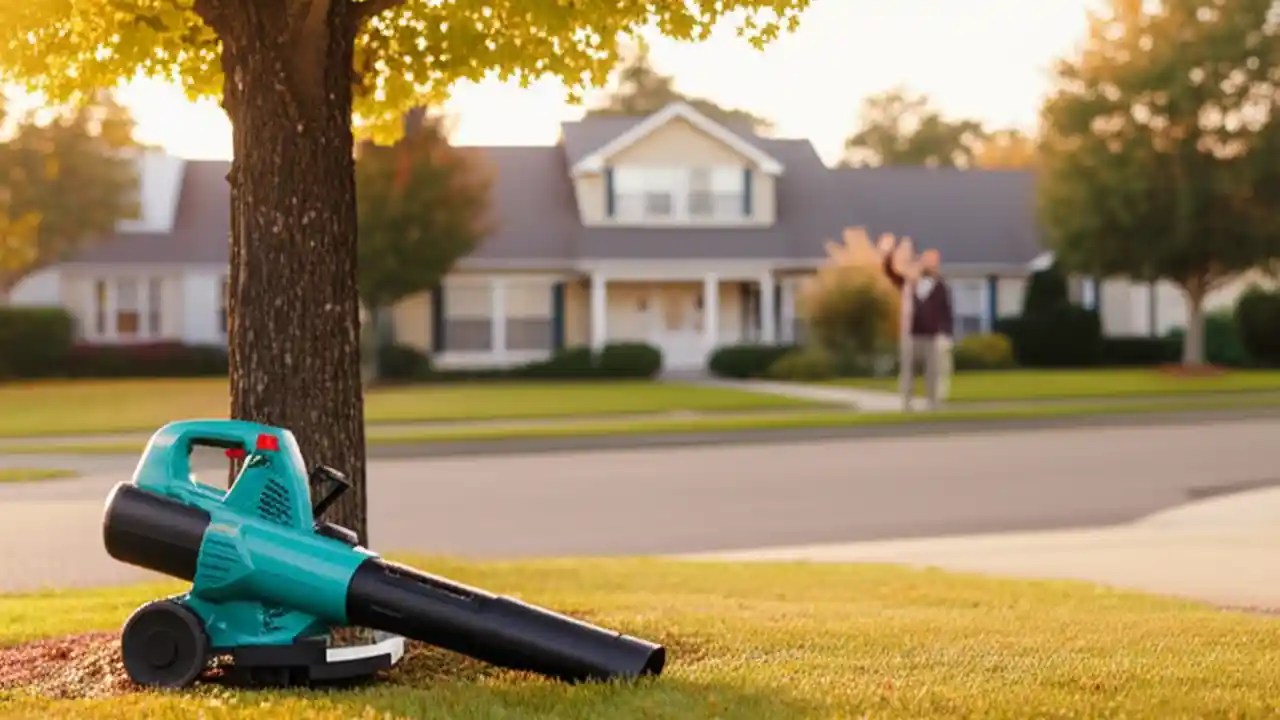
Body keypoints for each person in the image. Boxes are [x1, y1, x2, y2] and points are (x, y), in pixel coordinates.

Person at [876, 236, 954, 411]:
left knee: (932, 372)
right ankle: (907, 403)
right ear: (922, 261)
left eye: (934, 261)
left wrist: (947, 334)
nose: (931, 264)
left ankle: (932, 403)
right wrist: (888, 254)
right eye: (928, 260)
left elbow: (946, 312)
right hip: (911, 334)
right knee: (908, 372)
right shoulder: (908, 283)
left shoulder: (941, 287)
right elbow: (890, 272)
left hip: (932, 335)